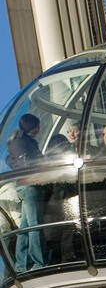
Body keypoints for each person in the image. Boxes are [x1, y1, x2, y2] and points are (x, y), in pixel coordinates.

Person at [5, 112, 44, 271]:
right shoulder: (22, 141)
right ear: (33, 127)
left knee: (26, 226)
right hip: (29, 185)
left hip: (26, 185)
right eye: (37, 126)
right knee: (34, 225)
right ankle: (38, 263)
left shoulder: (20, 140)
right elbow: (27, 164)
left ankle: (21, 265)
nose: (39, 129)